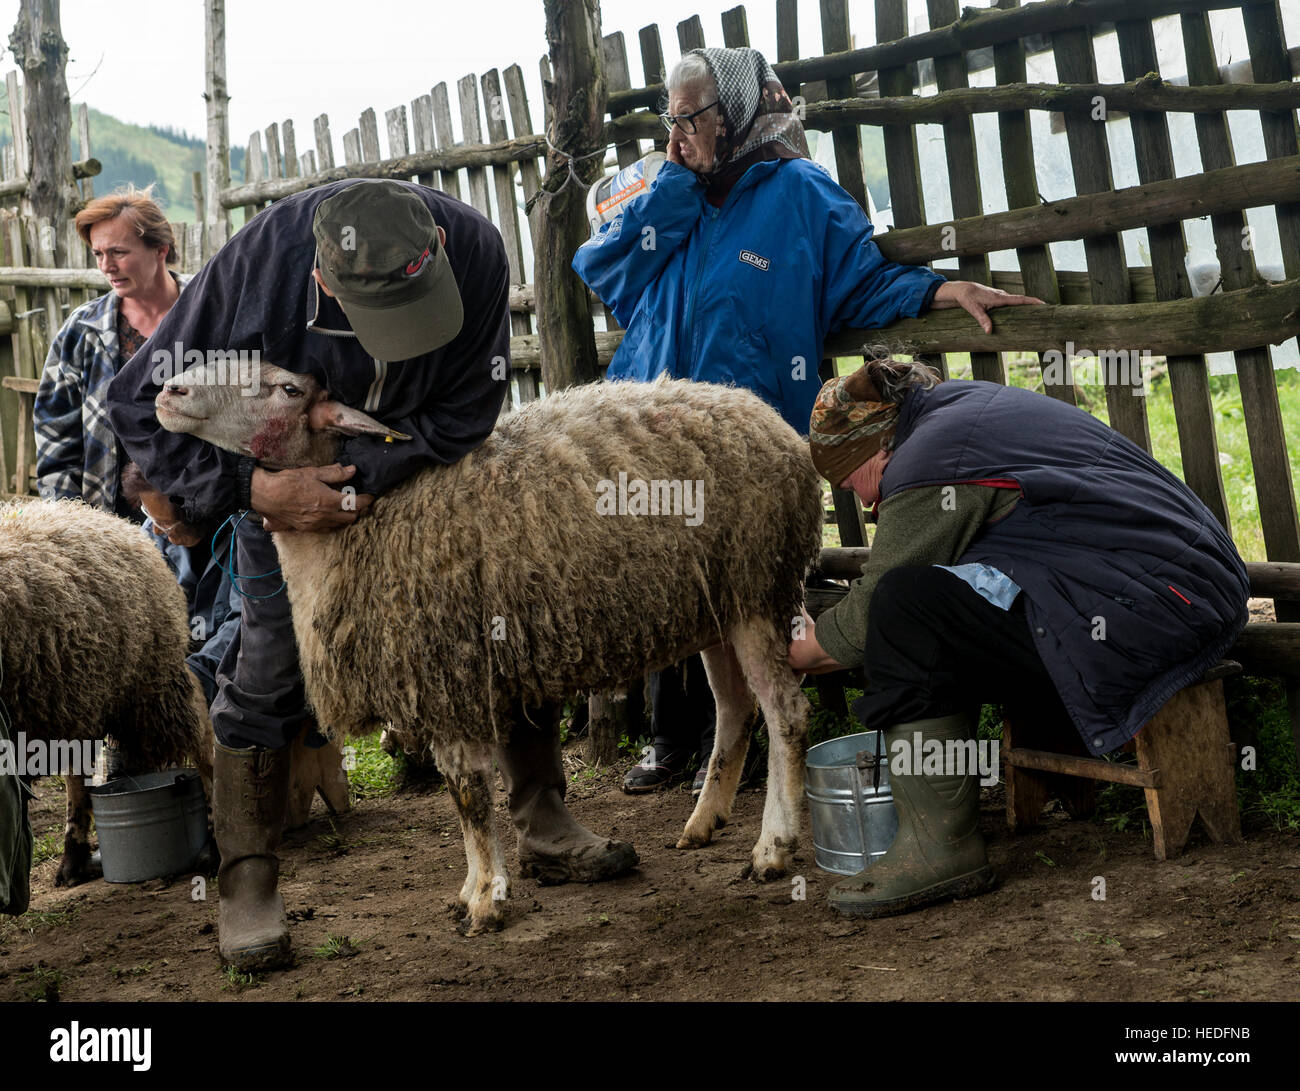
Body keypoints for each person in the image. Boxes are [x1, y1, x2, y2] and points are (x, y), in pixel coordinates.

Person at [107, 179, 636, 972]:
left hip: (421, 470)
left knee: (497, 622)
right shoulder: (267, 259)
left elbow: (467, 412)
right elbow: (137, 401)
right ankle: (247, 880)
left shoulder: (478, 249)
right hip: (284, 492)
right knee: (270, 666)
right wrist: (260, 490)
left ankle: (545, 817)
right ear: (321, 281)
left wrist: (360, 476)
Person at [572, 47, 1041, 794]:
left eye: (690, 116)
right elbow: (604, 270)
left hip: (751, 437)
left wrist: (941, 291)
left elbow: (860, 283)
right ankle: (672, 739)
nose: (677, 131)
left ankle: (750, 737)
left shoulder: (800, 195)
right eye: (672, 118)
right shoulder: (671, 196)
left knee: (746, 581)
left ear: (735, 115)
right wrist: (674, 185)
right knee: (664, 576)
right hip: (655, 426)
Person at [788, 358, 1250, 918]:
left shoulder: (930, 458)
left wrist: (808, 648)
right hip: (1178, 586)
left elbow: (869, 614)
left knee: (904, 608)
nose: (861, 501)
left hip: (1160, 604)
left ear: (874, 450)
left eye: (849, 480)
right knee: (929, 603)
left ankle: (941, 849)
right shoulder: (961, 413)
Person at [35, 187, 185, 514]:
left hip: (204, 521)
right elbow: (55, 434)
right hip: (111, 524)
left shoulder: (207, 317)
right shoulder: (83, 331)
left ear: (160, 248)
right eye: (98, 254)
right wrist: (70, 521)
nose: (107, 266)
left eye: (118, 252)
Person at [118, 462, 241, 708]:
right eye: (147, 514)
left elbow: (242, 621)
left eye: (164, 523)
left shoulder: (242, 540)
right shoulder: (152, 537)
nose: (155, 529)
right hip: (173, 662)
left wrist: (193, 676)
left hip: (227, 672)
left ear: (198, 512)